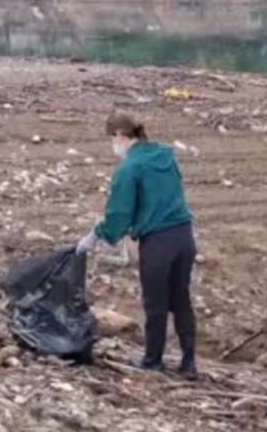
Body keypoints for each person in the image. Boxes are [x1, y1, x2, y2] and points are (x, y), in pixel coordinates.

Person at [78, 114, 198, 375]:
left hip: (158, 241)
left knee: (155, 302)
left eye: (112, 138)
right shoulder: (165, 156)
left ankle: (152, 360)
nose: (113, 145)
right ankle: (189, 362)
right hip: (184, 235)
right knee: (181, 299)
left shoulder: (129, 168)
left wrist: (98, 234)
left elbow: (120, 213)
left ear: (120, 136)